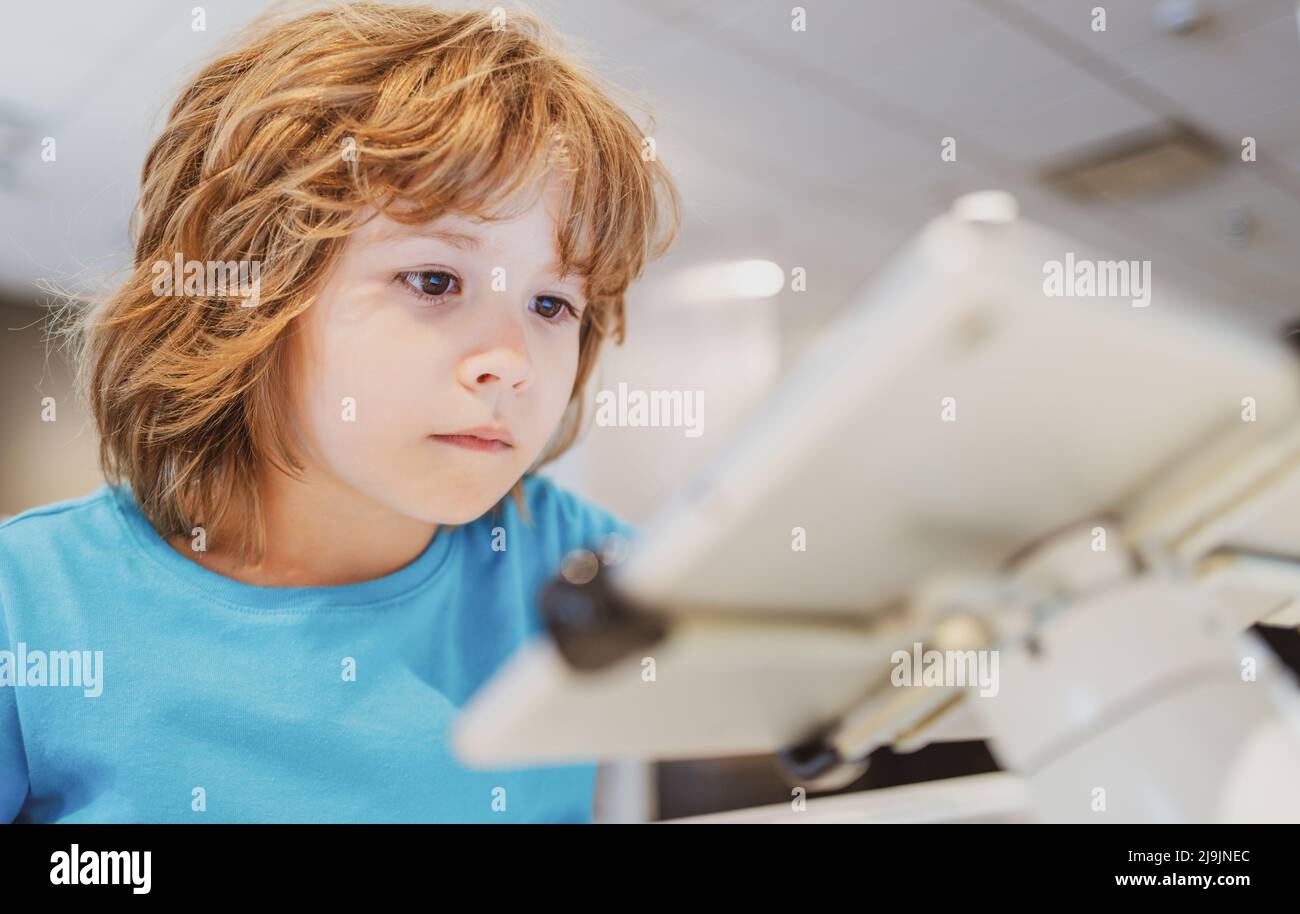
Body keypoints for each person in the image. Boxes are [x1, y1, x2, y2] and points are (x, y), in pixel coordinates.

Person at [0, 2, 680, 823]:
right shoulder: (31, 606)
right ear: (246, 293)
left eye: (550, 303)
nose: (512, 363)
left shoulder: (585, 569)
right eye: (435, 281)